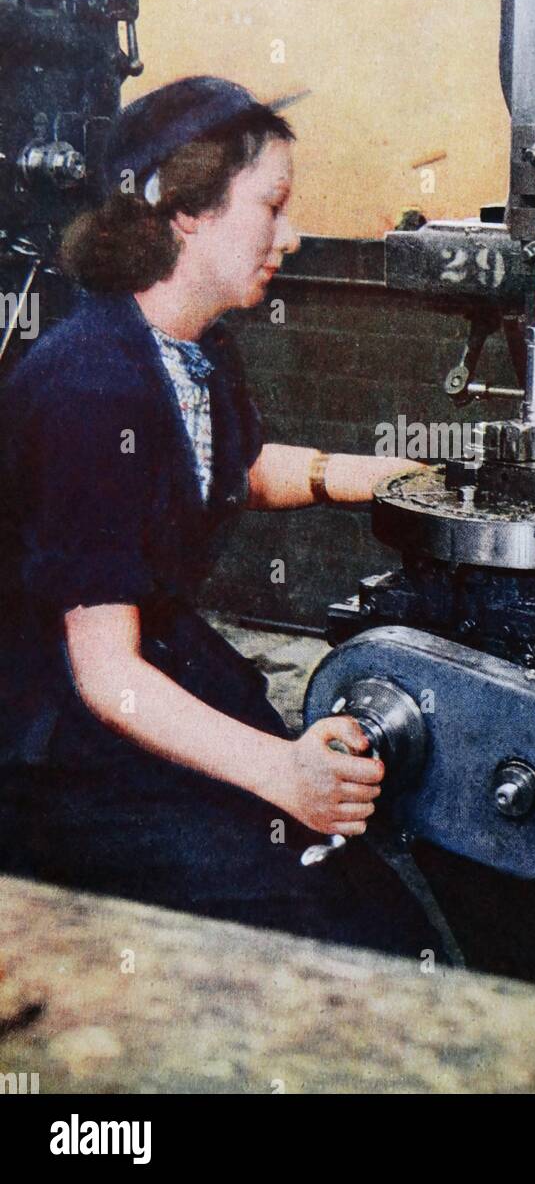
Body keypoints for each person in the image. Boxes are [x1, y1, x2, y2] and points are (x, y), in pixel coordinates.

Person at [0, 76, 444, 961]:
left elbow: (232, 470)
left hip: (151, 669)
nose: (293, 234)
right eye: (273, 205)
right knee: (312, 919)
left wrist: (400, 478)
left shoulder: (188, 347)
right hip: (53, 739)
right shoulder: (92, 385)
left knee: (365, 890)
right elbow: (103, 674)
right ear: (187, 211)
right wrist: (284, 774)